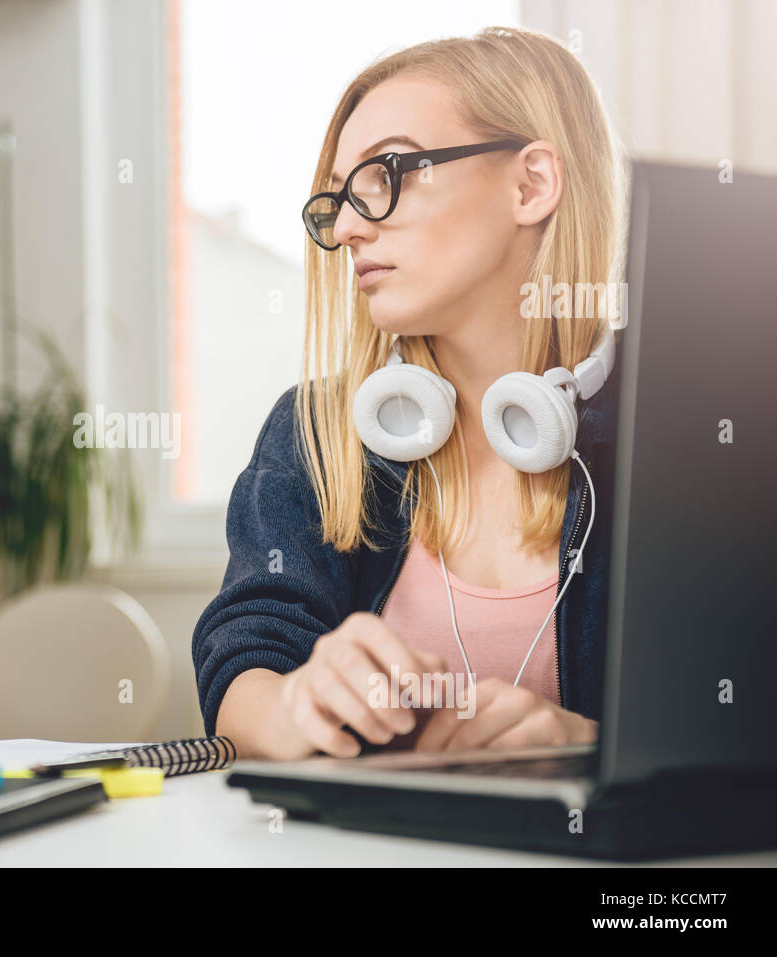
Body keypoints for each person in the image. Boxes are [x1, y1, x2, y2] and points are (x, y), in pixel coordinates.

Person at [193, 27, 627, 761]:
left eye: (387, 171)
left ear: (531, 185)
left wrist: (598, 748)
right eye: (340, 197)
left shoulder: (690, 439)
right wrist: (296, 704)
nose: (352, 228)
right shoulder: (318, 433)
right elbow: (245, 672)